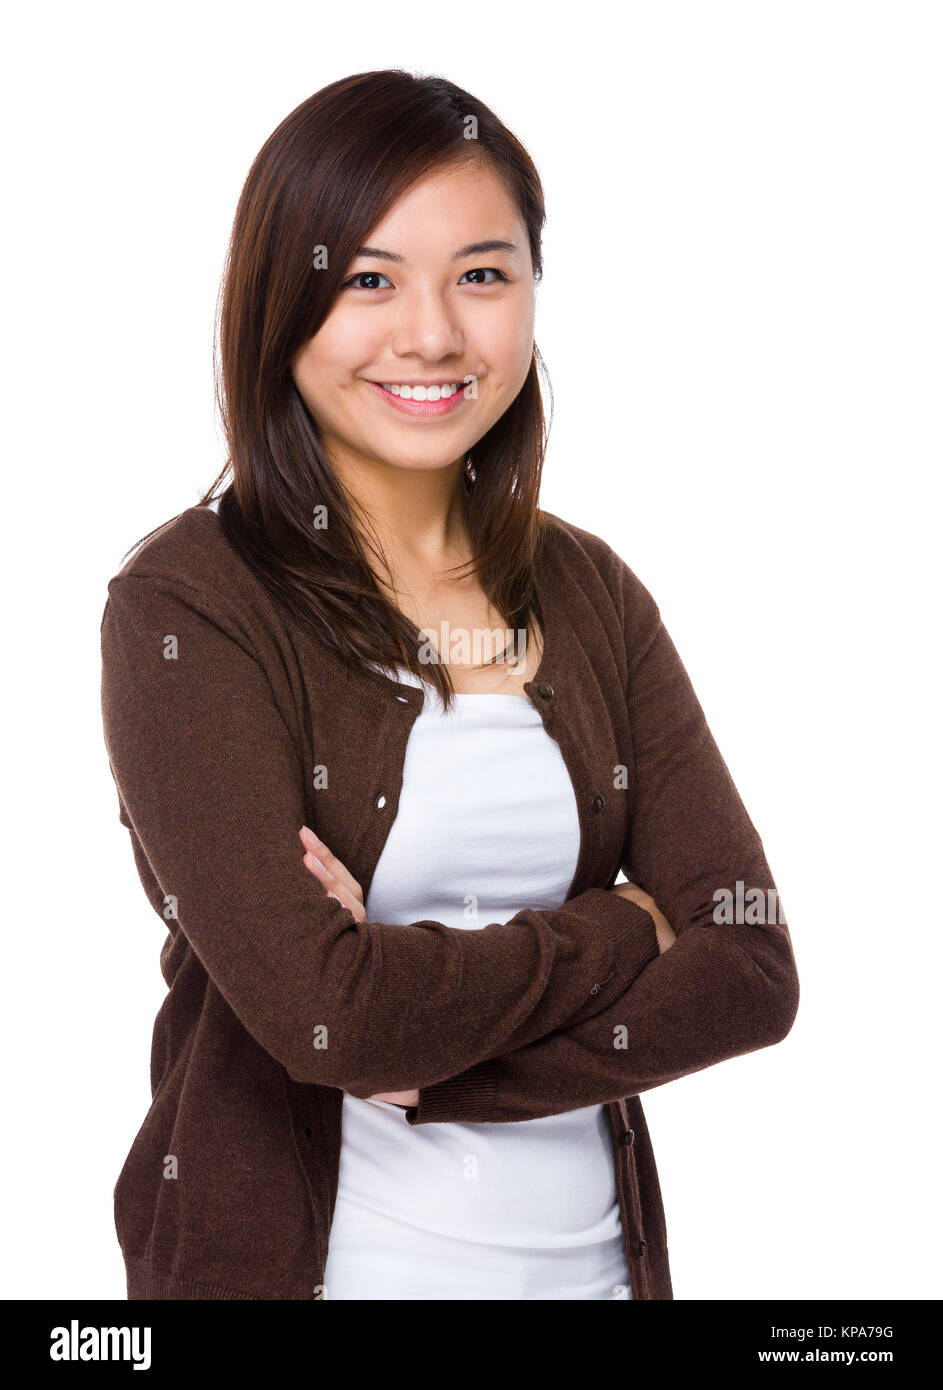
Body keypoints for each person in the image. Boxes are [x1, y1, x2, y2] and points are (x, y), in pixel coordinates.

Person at [100, 68, 799, 1301]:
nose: (432, 334)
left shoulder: (590, 592)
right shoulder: (190, 604)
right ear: (282, 301)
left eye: (482, 274)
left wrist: (449, 1064)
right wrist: (627, 924)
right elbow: (330, 1017)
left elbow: (749, 966)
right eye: (369, 278)